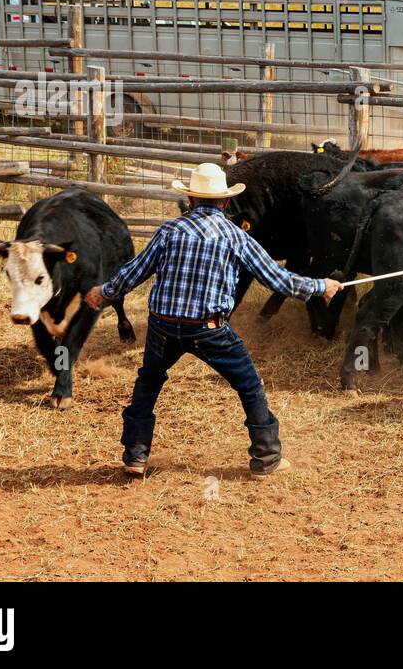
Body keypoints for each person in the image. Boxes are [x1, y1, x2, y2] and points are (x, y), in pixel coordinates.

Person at [84, 162, 341, 478]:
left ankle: (135, 455)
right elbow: (279, 279)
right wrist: (320, 286)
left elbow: (133, 273)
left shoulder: (169, 231)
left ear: (190, 200)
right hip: (209, 329)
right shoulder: (236, 237)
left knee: (148, 381)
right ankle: (266, 457)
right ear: (226, 201)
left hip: (163, 325)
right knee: (249, 385)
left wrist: (103, 292)